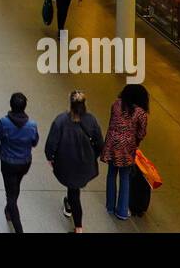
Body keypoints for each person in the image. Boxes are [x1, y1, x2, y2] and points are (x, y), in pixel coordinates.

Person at [45, 90, 104, 233]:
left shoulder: (61, 121)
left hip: (66, 163)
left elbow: (51, 144)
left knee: (74, 192)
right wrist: (91, 157)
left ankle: (78, 227)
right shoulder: (91, 120)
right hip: (84, 164)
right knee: (73, 187)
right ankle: (69, 205)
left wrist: (51, 158)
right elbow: (100, 144)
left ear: (70, 104)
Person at [101, 83, 150, 220]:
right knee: (125, 177)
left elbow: (112, 122)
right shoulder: (141, 113)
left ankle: (110, 206)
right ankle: (122, 211)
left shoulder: (116, 104)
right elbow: (141, 133)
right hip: (127, 147)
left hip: (112, 143)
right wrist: (136, 144)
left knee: (111, 174)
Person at [0, 92, 38, 233]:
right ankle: (8, 209)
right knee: (16, 185)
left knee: (10, 195)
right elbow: (35, 142)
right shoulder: (32, 125)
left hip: (8, 162)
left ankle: (18, 228)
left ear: (11, 105)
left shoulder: (4, 122)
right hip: (24, 163)